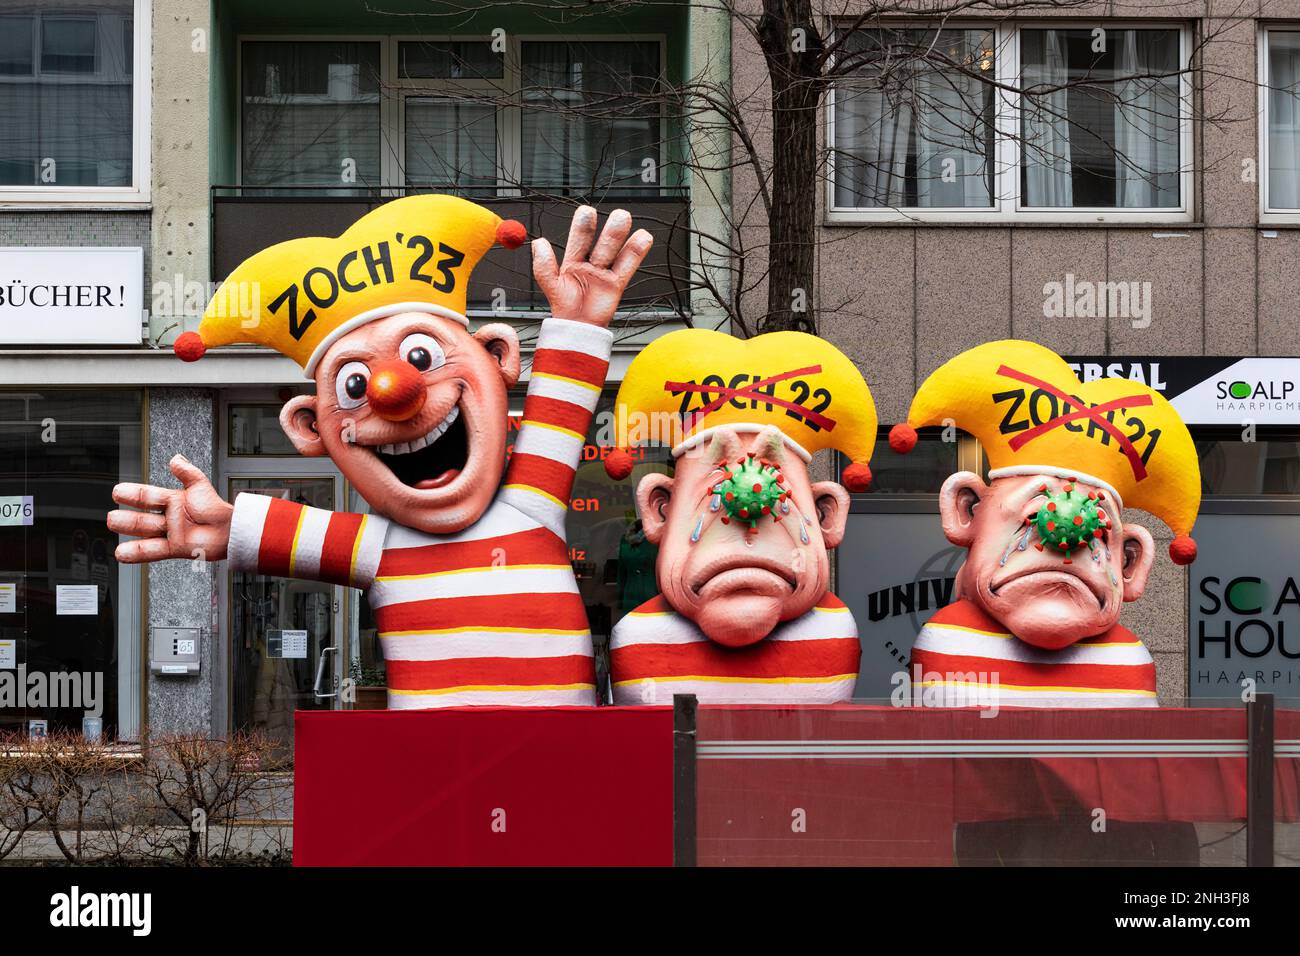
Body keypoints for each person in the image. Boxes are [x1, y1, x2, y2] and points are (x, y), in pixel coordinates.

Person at [108, 195, 652, 708]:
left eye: (421, 354)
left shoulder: (532, 504)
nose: (393, 391)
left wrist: (579, 328)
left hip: (564, 764)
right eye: (353, 384)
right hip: (434, 773)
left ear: (498, 356)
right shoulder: (379, 546)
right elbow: (280, 532)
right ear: (309, 429)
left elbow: (560, 409)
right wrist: (226, 527)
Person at [888, 339, 1202, 707]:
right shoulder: (949, 642)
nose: (1067, 538)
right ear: (966, 511)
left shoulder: (1126, 662)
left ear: (1132, 564)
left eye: (1096, 531)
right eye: (1033, 516)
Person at [601, 329, 879, 703]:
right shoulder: (641, 639)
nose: (749, 514)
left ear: (828, 515)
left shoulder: (832, 631)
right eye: (718, 482)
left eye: (774, 489)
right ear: (658, 510)